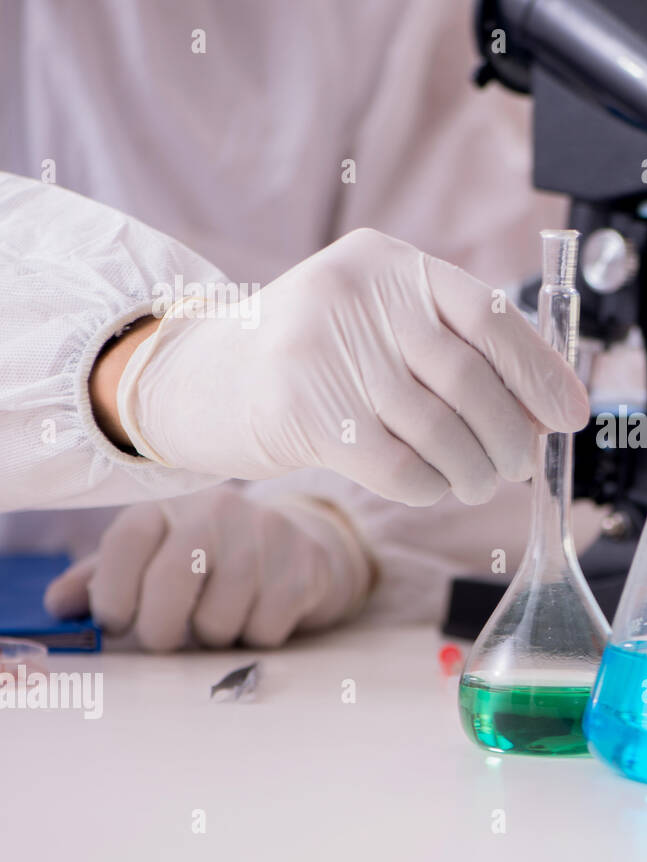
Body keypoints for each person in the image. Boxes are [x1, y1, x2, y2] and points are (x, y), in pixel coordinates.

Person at [0, 0, 603, 650]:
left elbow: (509, 362)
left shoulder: (392, 19)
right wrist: (152, 373)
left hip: (223, 674)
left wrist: (337, 523)